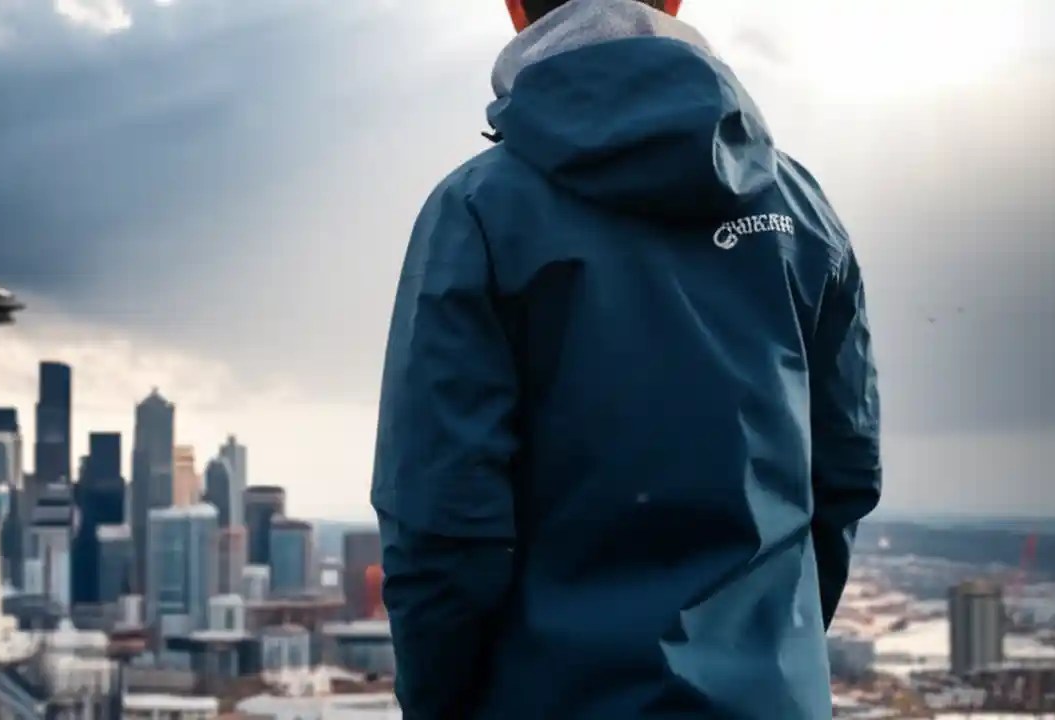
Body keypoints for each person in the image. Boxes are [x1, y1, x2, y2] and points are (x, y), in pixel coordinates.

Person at [370, 0, 882, 717]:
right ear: (672, 4)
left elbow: (444, 526)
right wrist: (766, 662)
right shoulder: (803, 213)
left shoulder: (479, 212)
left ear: (516, 9)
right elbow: (845, 479)